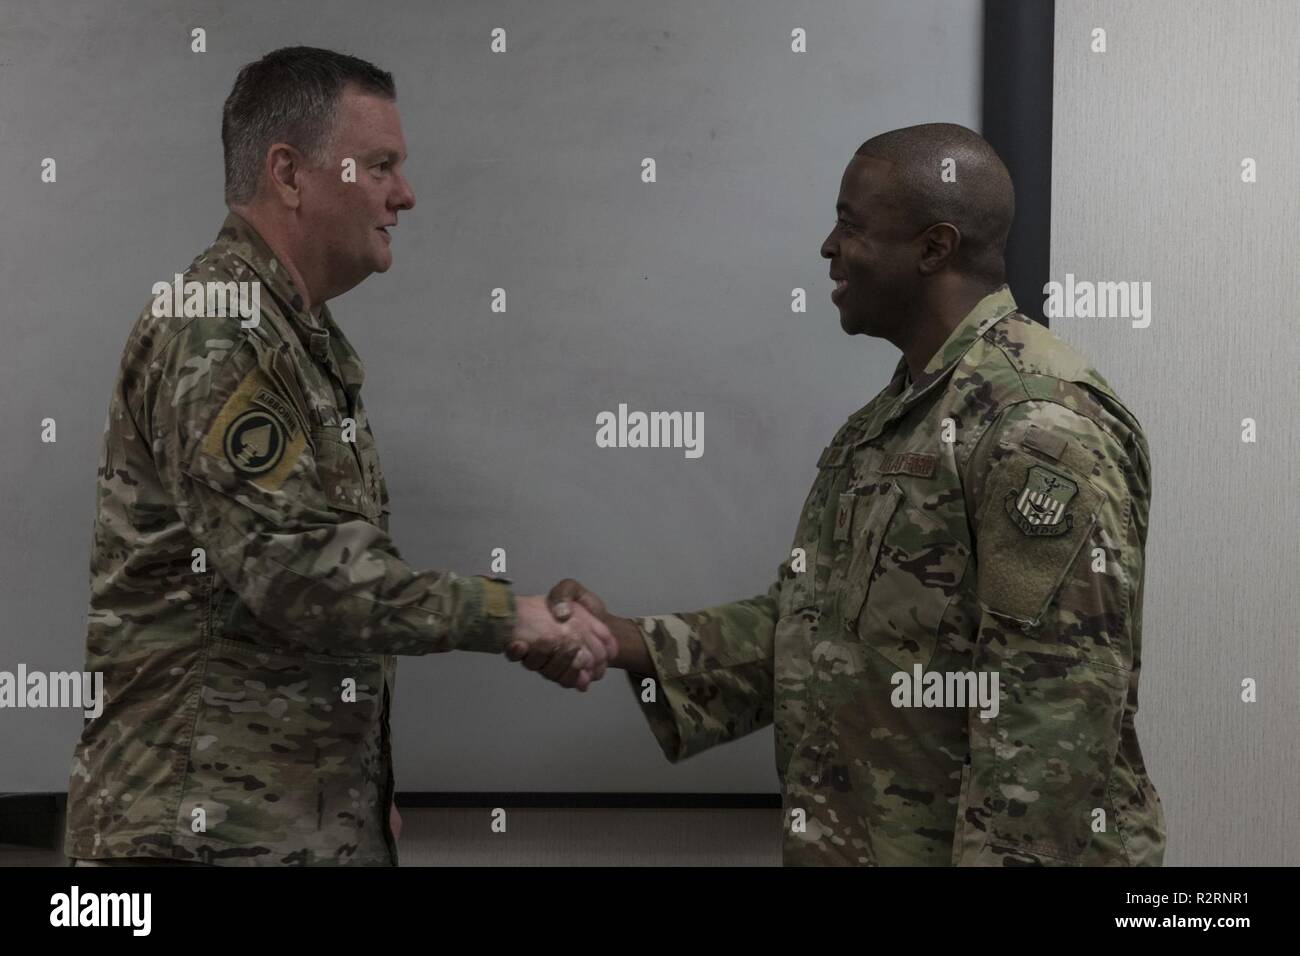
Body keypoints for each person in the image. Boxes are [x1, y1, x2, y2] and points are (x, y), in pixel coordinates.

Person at [521, 124, 1166, 866]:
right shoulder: (892, 422)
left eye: (851, 226)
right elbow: (814, 627)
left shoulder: (1034, 423)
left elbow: (1051, 718)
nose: (829, 248)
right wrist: (627, 642)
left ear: (933, 248)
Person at [65, 46, 611, 867]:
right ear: (289, 173)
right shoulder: (217, 328)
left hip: (284, 827)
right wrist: (511, 617)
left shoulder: (295, 338)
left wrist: (359, 792)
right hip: (194, 836)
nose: (406, 194)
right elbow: (301, 571)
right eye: (382, 165)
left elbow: (314, 601)